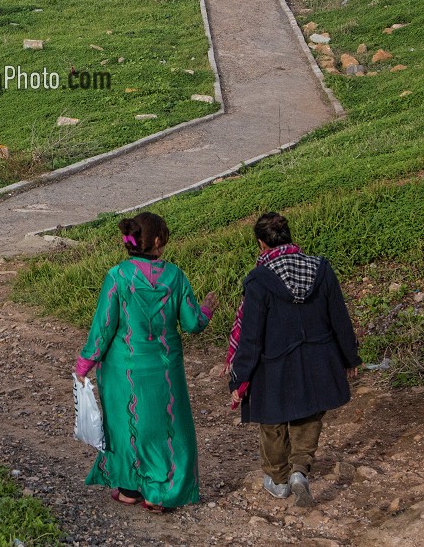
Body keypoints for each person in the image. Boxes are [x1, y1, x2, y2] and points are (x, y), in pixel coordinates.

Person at [76, 212, 216, 512]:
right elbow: (192, 324)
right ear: (155, 241)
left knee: (125, 424)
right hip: (165, 368)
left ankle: (128, 489)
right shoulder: (175, 277)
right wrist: (205, 310)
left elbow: (103, 328)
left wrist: (84, 364)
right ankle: (159, 493)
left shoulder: (117, 276)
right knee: (166, 428)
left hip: (122, 368)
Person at [226, 212, 360, 507]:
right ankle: (300, 469)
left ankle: (279, 480)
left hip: (273, 363)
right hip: (318, 356)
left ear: (261, 244)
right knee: (309, 414)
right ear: (288, 237)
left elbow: (251, 336)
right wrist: (349, 357)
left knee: (272, 421)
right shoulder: (320, 268)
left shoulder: (259, 280)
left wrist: (240, 376)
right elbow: (339, 317)